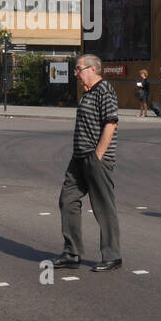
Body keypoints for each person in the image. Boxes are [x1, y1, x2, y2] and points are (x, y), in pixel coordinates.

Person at [53, 54, 122, 272]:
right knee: (67, 199)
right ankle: (72, 252)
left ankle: (112, 256)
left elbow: (111, 123)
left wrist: (98, 156)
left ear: (93, 69)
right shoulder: (88, 94)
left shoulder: (105, 90)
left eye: (79, 69)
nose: (76, 73)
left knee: (103, 206)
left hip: (95, 158)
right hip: (79, 157)